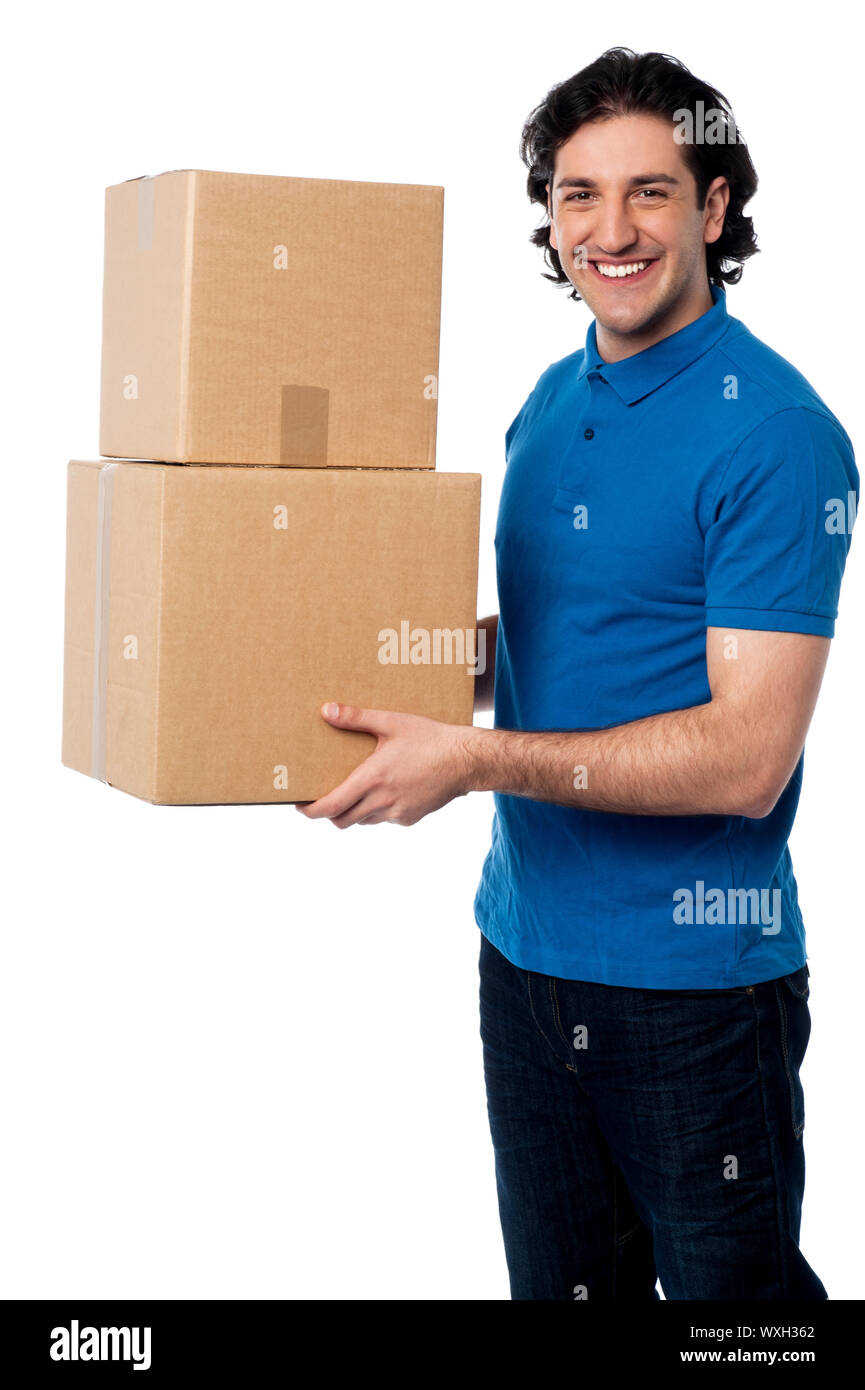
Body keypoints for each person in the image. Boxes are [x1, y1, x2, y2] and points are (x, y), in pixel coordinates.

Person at [296, 48, 858, 1300]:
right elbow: (557, 643)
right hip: (523, 962)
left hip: (693, 996)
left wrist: (473, 759)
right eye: (576, 194)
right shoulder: (550, 401)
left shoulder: (776, 436)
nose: (610, 230)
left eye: (650, 192)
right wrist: (371, 669)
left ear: (713, 210)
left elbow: (749, 755)